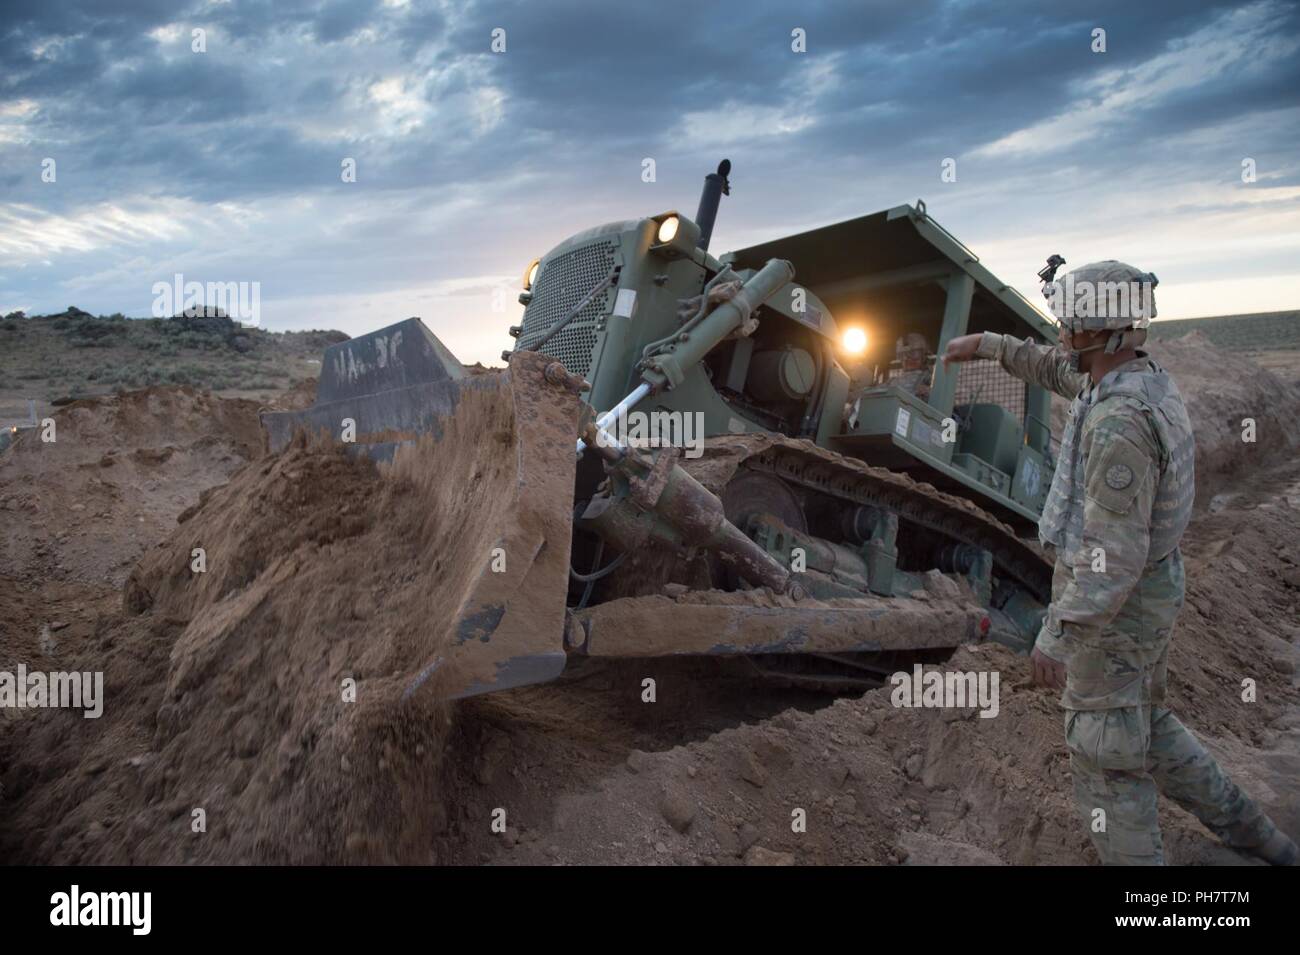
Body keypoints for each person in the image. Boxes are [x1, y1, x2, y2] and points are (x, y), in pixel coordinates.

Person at [942, 259, 1296, 866]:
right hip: (1144, 595)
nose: (1060, 335)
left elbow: (1111, 561)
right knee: (1148, 727)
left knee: (1106, 755)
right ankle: (1266, 844)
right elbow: (1056, 368)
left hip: (1117, 609)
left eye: (1068, 325)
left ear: (1098, 335)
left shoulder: (1120, 426)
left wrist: (1058, 634)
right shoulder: (1131, 379)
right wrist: (989, 346)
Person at [893, 332, 933, 400]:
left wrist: (929, 392)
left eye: (913, 354)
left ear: (924, 356)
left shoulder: (931, 380)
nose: (906, 358)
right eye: (902, 355)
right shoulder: (892, 381)